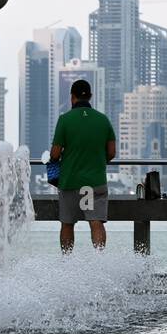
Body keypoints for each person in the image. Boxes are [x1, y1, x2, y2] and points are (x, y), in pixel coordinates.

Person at [49, 79, 116, 253]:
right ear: (91, 96)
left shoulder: (64, 120)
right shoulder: (103, 120)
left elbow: (55, 154)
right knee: (96, 222)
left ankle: (67, 262)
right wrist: (98, 161)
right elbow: (111, 152)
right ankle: (99, 260)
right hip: (95, 182)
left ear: (72, 97)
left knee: (67, 223)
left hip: (70, 181)